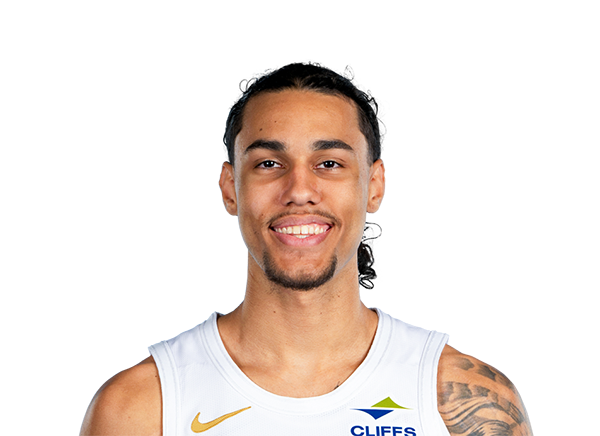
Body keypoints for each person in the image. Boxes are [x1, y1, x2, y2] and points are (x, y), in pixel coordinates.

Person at [81, 60, 531, 436]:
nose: (299, 189)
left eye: (329, 163)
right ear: (231, 188)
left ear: (373, 186)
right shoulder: (144, 407)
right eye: (269, 163)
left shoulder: (460, 402)